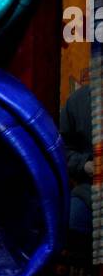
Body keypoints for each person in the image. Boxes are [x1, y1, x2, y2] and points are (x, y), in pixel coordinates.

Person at [60, 82, 93, 235]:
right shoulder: (78, 101)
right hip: (89, 192)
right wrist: (85, 165)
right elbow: (61, 150)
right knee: (67, 222)